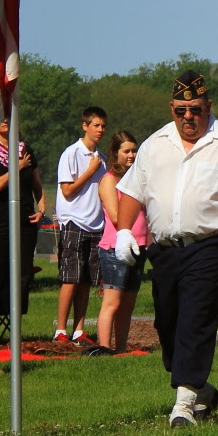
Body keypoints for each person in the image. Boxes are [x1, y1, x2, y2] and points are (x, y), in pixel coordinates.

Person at [114, 70, 218, 427]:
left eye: (195, 109)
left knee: (196, 318)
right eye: (180, 110)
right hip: (164, 249)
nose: (188, 117)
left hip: (208, 245)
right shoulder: (154, 144)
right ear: (172, 108)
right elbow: (134, 190)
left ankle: (184, 403)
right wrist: (123, 231)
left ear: (208, 106)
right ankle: (200, 389)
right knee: (168, 322)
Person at [0, 118, 45, 339]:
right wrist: (17, 167)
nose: (6, 121)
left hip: (25, 220)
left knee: (23, 274)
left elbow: (37, 185)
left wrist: (42, 209)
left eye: (9, 116)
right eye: (1, 118)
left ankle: (16, 332)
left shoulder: (25, 150)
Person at [54, 106, 108, 343]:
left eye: (103, 126)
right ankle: (60, 330)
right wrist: (89, 171)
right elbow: (67, 190)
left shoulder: (102, 159)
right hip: (74, 221)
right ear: (84, 126)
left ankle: (79, 329)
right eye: (96, 125)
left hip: (96, 224)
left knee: (87, 279)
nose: (100, 130)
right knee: (71, 277)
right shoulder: (71, 153)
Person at [94, 131, 145, 354]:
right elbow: (116, 216)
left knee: (127, 305)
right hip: (114, 248)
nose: (131, 155)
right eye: (126, 151)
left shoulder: (137, 179)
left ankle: (121, 349)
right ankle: (105, 348)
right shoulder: (108, 180)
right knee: (112, 302)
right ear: (115, 153)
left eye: (134, 150)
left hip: (140, 246)